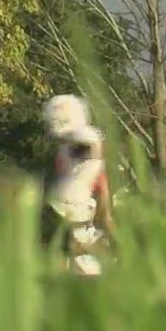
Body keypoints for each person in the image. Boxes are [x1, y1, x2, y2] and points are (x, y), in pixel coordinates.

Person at [39, 94, 114, 274]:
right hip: (75, 224)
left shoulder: (66, 151)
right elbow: (104, 208)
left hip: (63, 223)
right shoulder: (87, 148)